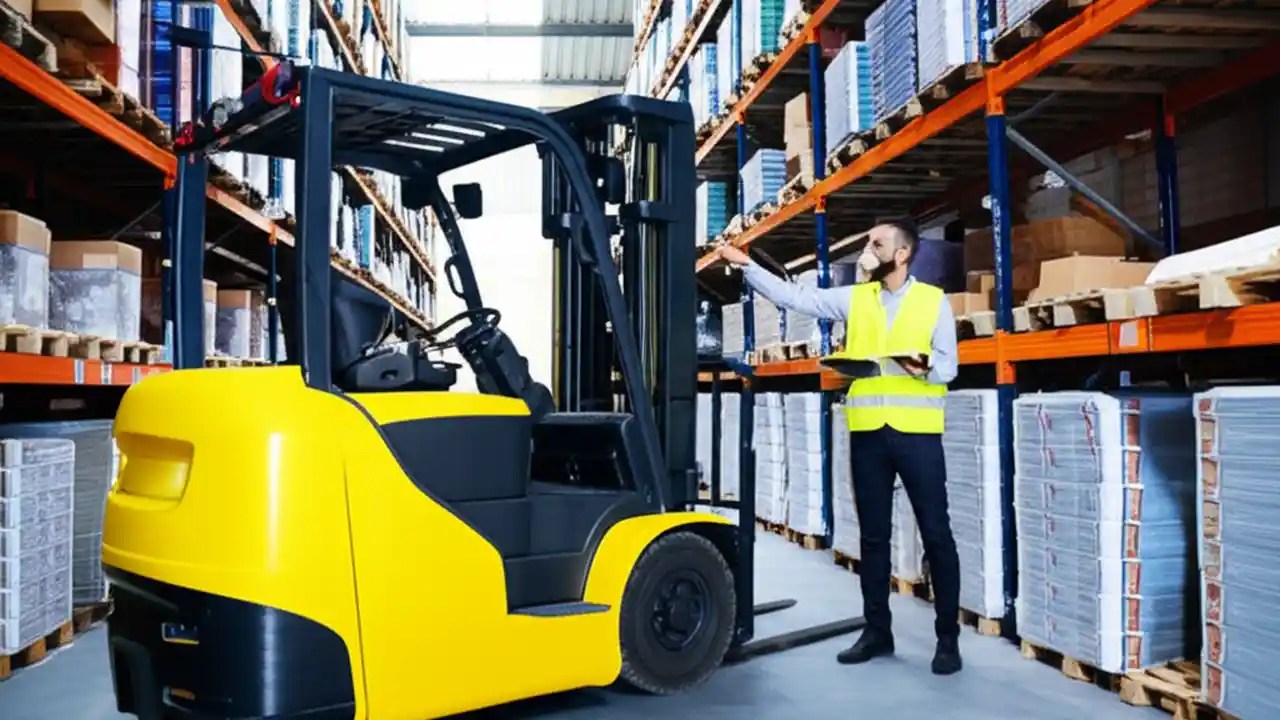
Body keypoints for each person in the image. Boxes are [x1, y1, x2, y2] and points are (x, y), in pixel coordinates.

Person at [715, 218, 963, 676]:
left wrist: (923, 367)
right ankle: (877, 631)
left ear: (902, 254)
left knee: (937, 534)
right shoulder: (857, 298)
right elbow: (797, 298)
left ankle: (947, 641)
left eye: (877, 243)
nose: (869, 249)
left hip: (918, 434)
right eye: (868, 241)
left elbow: (949, 368)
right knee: (873, 537)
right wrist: (745, 265)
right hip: (868, 432)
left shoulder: (933, 302)